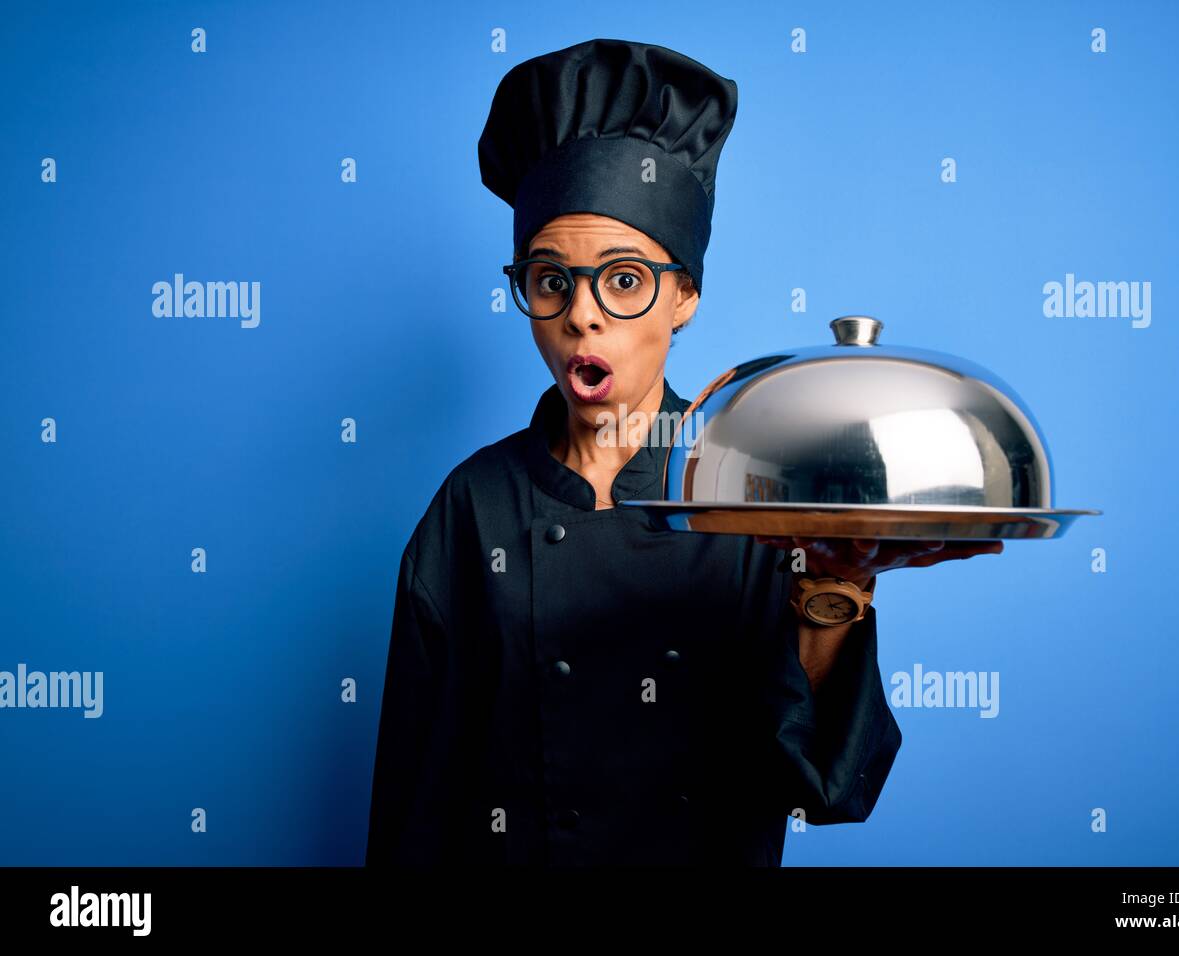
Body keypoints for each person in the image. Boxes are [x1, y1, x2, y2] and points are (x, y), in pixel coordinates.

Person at [364, 37, 1001, 867]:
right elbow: (415, 793)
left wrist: (840, 579)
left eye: (623, 279)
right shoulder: (472, 504)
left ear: (686, 296)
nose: (581, 315)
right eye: (550, 279)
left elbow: (828, 787)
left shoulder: (755, 495)